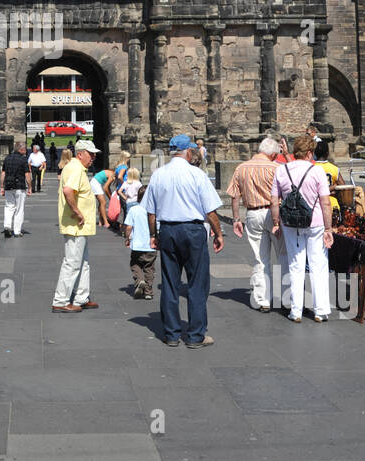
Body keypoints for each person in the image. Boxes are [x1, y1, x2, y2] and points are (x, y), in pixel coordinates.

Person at [143, 135, 224, 346]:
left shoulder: (158, 175)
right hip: (193, 230)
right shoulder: (196, 174)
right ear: (187, 151)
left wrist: (153, 235)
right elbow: (210, 210)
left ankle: (171, 334)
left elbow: (150, 212)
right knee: (197, 282)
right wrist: (218, 233)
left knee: (170, 282)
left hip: (168, 229)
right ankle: (196, 336)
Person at [270, 133, 334, 324]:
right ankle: (320, 310)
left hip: (290, 223)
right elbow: (325, 203)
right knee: (318, 265)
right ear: (308, 152)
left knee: (295, 265)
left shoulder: (281, 171)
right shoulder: (317, 172)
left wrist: (275, 223)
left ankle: (296, 310)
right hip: (314, 223)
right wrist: (328, 228)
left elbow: (274, 201)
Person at [226, 136, 287, 314]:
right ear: (274, 153)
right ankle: (287, 297)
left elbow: (234, 196)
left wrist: (236, 219)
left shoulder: (241, 168)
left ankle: (262, 300)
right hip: (274, 213)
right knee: (282, 254)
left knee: (260, 258)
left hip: (252, 213)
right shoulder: (277, 168)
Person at [52, 139, 106, 312]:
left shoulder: (77, 168)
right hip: (75, 225)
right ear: (80, 153)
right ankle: (60, 301)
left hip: (80, 226)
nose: (93, 157)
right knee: (73, 262)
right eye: (91, 154)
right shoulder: (75, 168)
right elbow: (68, 190)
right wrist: (77, 211)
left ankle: (81, 297)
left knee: (83, 263)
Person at [124, 185, 157, 299]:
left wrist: (127, 238)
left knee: (135, 264)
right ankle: (148, 291)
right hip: (151, 246)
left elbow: (128, 227)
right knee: (149, 268)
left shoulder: (134, 209)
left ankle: (139, 280)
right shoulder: (155, 210)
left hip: (137, 245)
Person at [1, 140, 31, 236]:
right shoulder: (23, 160)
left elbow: (3, 174)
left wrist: (2, 186)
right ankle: (17, 231)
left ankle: (7, 226)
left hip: (8, 186)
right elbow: (27, 175)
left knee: (9, 207)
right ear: (21, 150)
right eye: (25, 149)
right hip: (20, 186)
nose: (26, 151)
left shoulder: (7, 158)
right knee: (19, 209)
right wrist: (30, 187)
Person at [314, 138, 341, 218]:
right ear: (327, 153)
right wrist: (333, 188)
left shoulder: (312, 168)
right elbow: (342, 186)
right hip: (332, 204)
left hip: (317, 205)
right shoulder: (334, 168)